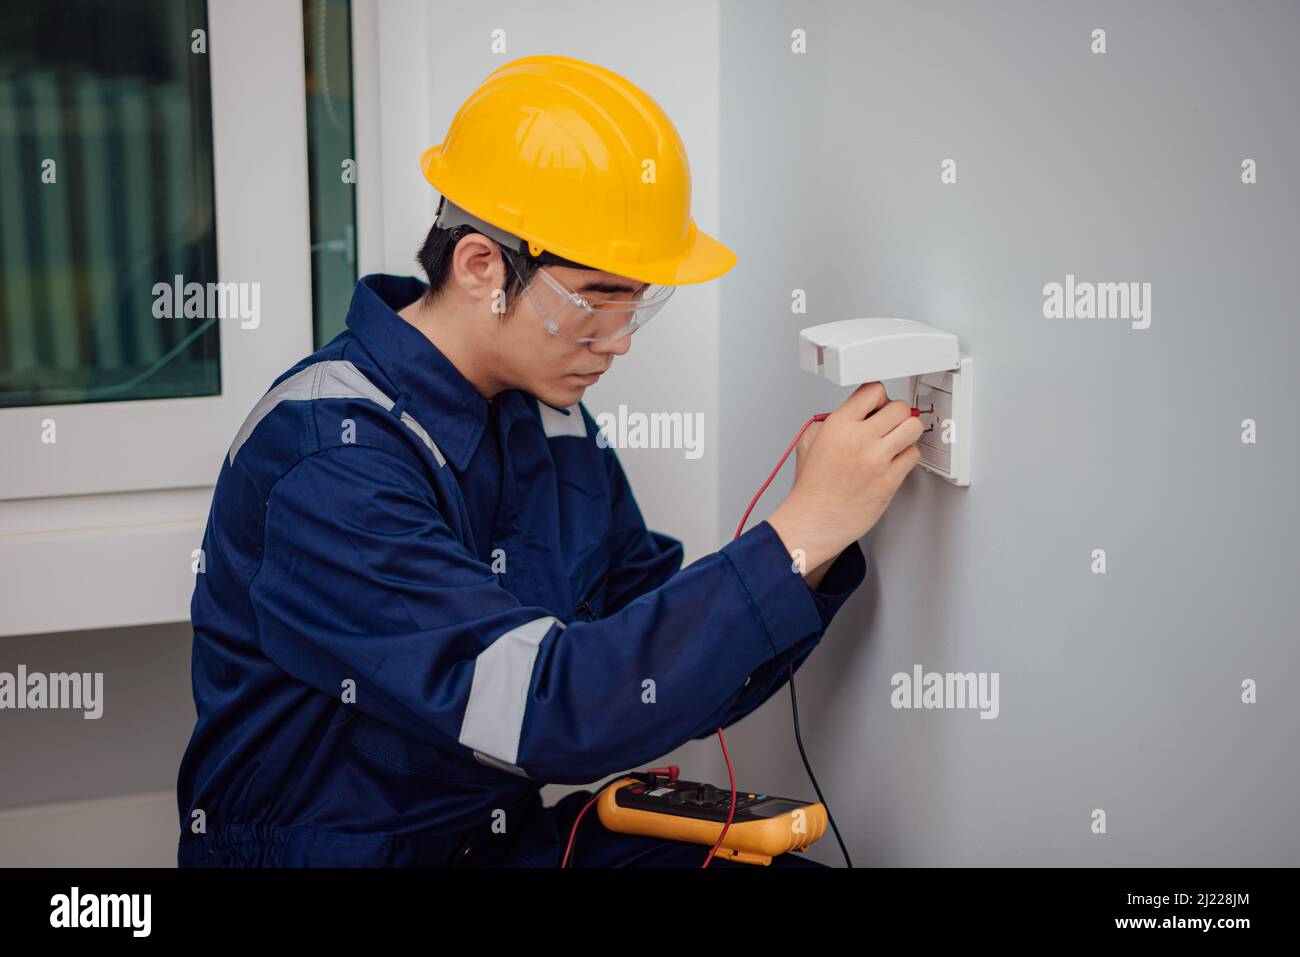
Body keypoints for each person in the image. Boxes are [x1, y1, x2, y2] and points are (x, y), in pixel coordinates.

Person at [176, 54, 923, 868]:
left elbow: (651, 652)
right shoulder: (326, 462)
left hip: (495, 840)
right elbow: (553, 709)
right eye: (594, 298)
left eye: (637, 301)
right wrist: (800, 530)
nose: (620, 338)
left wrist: (810, 548)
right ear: (481, 267)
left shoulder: (547, 417)